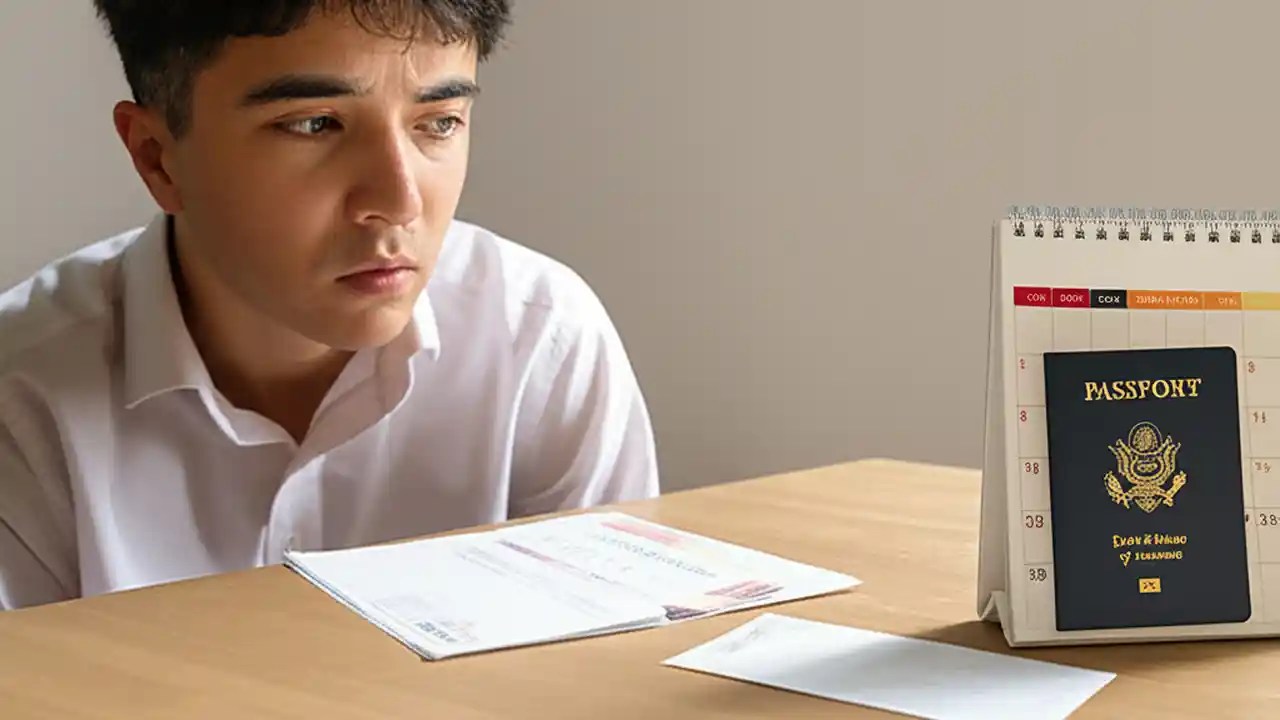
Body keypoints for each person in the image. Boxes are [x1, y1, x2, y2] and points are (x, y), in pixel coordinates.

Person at [0, 0, 659, 610]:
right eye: (316, 124)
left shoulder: (541, 344)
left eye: (440, 123)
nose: (400, 201)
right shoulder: (23, 395)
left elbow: (608, 667)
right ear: (158, 158)